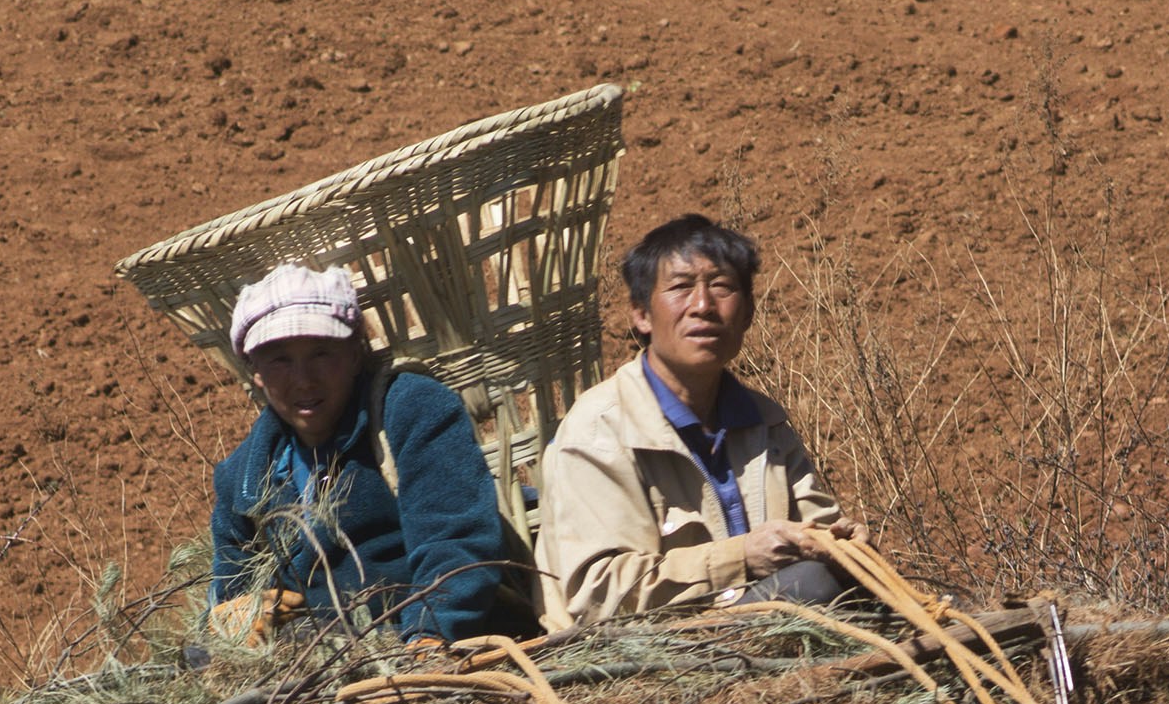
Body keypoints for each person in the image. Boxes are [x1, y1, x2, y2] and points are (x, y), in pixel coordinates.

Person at [539, 213, 859, 627]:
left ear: (747, 313)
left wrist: (846, 546)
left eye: (722, 287)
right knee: (813, 584)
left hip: (749, 628)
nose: (703, 306)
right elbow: (599, 593)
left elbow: (819, 525)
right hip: (643, 649)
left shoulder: (764, 421)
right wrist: (740, 557)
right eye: (680, 287)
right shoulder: (598, 431)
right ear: (641, 315)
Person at [206, 262, 527, 646]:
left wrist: (426, 639)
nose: (304, 380)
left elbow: (453, 541)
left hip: (421, 639)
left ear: (356, 352)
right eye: (280, 360)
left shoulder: (411, 410)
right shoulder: (244, 475)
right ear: (254, 371)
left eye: (322, 353)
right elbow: (231, 587)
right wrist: (235, 617)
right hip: (317, 660)